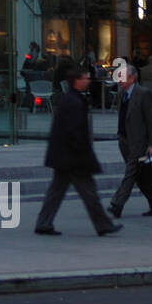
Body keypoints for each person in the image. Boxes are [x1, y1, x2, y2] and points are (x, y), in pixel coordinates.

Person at [35, 68, 123, 237]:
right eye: (85, 78)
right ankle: (103, 224)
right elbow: (76, 133)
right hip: (73, 158)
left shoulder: (69, 99)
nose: (88, 80)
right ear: (77, 80)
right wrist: (85, 156)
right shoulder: (74, 102)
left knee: (56, 191)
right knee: (89, 193)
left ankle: (43, 223)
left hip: (64, 156)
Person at [108, 64, 152, 218]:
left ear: (132, 78)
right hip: (124, 140)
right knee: (140, 175)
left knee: (130, 173)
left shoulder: (143, 94)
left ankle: (117, 204)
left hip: (139, 142)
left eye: (123, 76)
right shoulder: (121, 94)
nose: (119, 80)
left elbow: (151, 121)